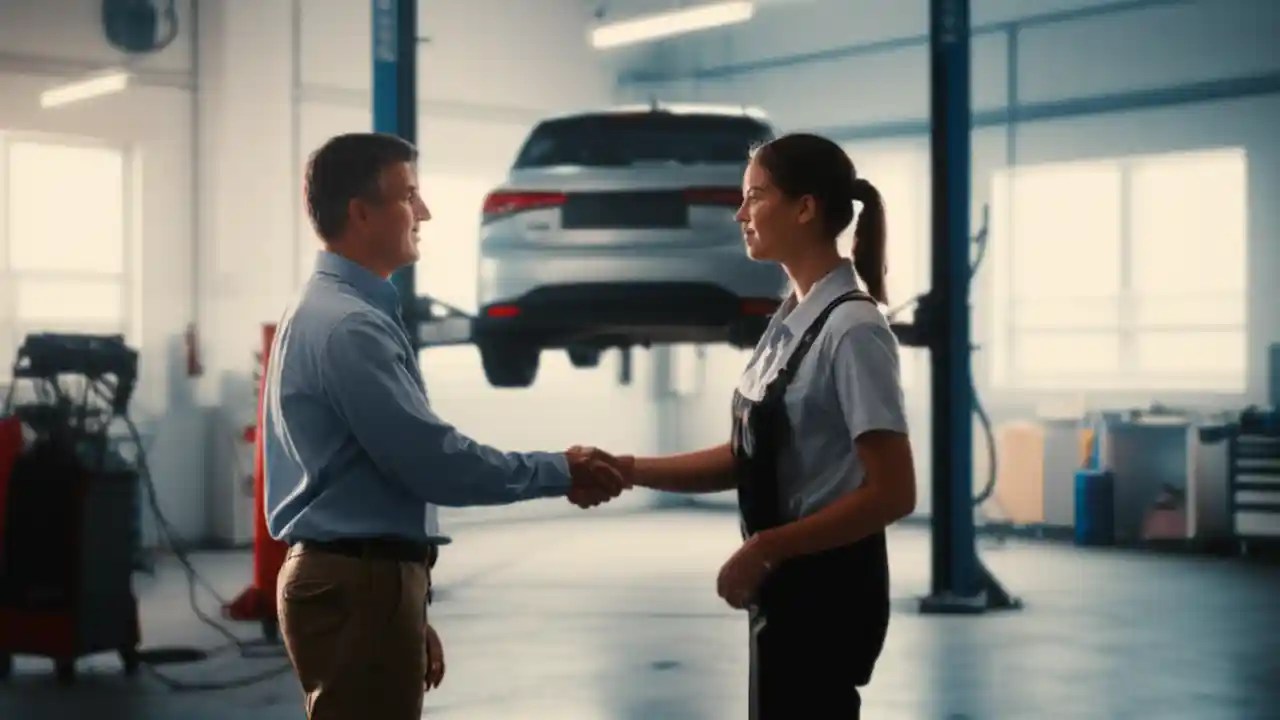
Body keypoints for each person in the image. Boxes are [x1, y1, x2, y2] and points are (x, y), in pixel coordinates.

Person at [262, 132, 630, 720]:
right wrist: (560, 470)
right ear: (361, 212)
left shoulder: (330, 310)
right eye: (409, 195)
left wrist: (408, 610)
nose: (424, 211)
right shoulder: (347, 327)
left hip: (366, 584)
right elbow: (435, 463)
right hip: (359, 584)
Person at [620, 133, 917, 718]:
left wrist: (767, 547)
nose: (739, 213)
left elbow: (894, 491)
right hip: (785, 584)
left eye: (754, 196)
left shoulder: (853, 330)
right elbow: (747, 457)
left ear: (805, 208)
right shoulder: (789, 322)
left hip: (828, 588)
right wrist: (629, 470)